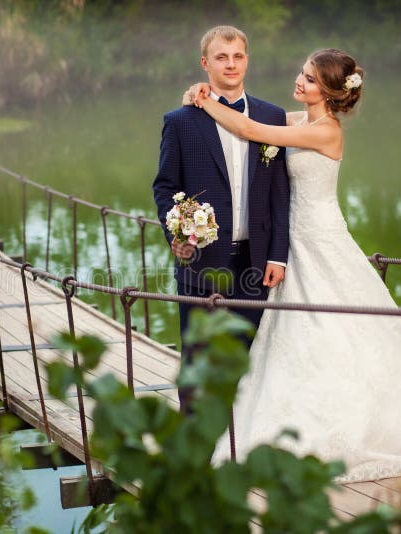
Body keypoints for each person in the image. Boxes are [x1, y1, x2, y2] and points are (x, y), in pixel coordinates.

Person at [184, 48, 401, 482]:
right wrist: (206, 93)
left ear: (331, 92)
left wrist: (205, 101)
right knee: (301, 332)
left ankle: (355, 427)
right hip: (295, 240)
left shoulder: (326, 131)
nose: (300, 81)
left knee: (336, 327)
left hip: (321, 237)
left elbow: (249, 127)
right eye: (302, 73)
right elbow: (260, 119)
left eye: (311, 79)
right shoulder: (303, 121)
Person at [152, 25, 291, 413]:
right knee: (197, 356)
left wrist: (277, 255)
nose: (231, 64)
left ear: (247, 59)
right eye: (221, 57)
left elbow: (281, 194)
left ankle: (233, 447)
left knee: (247, 354)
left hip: (256, 259)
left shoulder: (271, 115)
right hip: (200, 258)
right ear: (205, 63)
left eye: (238, 56)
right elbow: (164, 187)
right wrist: (176, 234)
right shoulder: (179, 121)